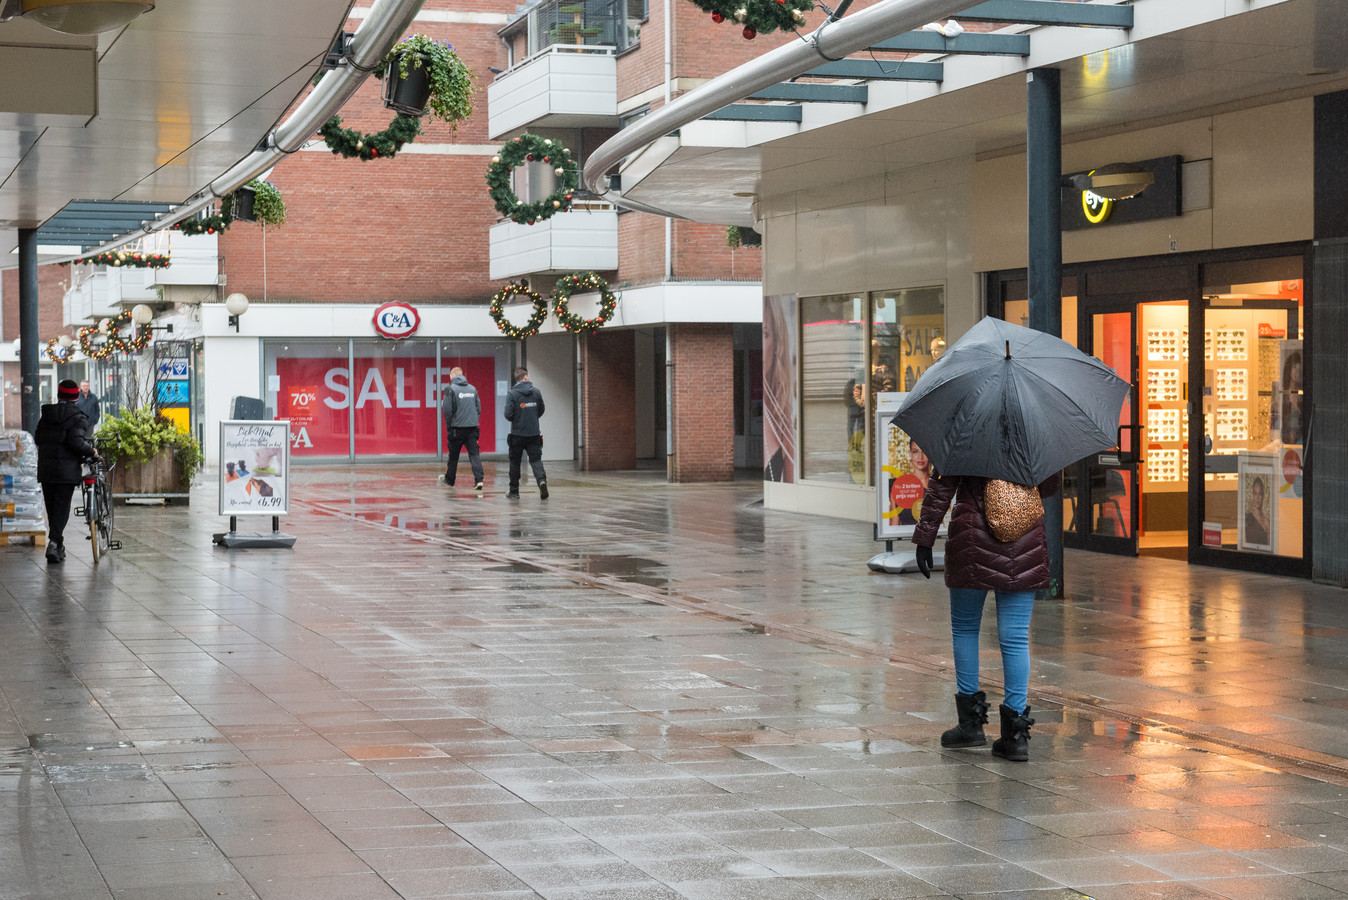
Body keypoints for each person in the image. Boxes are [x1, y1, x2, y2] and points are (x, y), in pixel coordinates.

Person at [912, 471, 1060, 762]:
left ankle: (970, 725)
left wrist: (925, 536)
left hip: (971, 537)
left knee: (966, 628)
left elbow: (943, 484)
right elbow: (1050, 485)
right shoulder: (1035, 431)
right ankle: (1015, 737)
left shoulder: (965, 427)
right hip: (1024, 536)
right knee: (1015, 636)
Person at [34, 379, 98, 564]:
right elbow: (77, 443)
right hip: (66, 472)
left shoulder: (46, 415)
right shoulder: (78, 416)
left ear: (59, 395)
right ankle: (54, 543)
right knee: (61, 509)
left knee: (52, 508)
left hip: (46, 469)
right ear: (76, 397)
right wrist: (92, 451)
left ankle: (58, 545)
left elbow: (38, 437)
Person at [504, 367, 547, 500]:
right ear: (526, 377)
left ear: (516, 378)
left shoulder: (512, 394)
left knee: (515, 462)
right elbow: (541, 410)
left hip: (517, 433)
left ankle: (514, 491)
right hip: (534, 433)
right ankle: (541, 481)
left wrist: (518, 418)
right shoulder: (536, 392)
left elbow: (508, 414)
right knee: (535, 460)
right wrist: (532, 417)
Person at [438, 367, 485, 491]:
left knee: (453, 456)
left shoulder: (450, 389)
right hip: (472, 428)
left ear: (452, 375)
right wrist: (473, 420)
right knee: (474, 455)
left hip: (456, 429)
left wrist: (449, 426)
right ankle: (479, 480)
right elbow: (478, 408)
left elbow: (447, 411)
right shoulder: (472, 389)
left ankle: (449, 479)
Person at [1245, 476, 1270, 545]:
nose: (1257, 498)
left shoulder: (1267, 523)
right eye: (1255, 494)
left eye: (1260, 494)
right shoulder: (1246, 518)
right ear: (1252, 495)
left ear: (1263, 496)